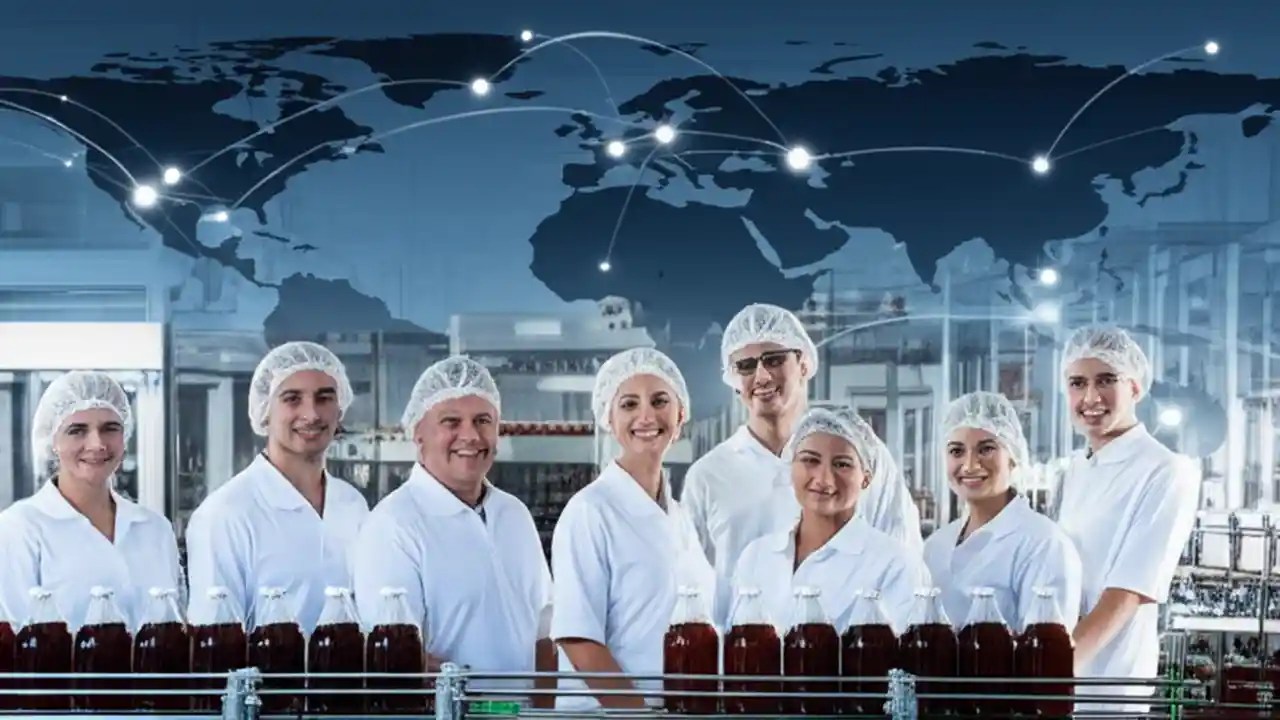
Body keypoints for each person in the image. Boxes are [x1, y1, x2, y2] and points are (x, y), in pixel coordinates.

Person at [682, 303, 922, 627]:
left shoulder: (865, 457)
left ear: (804, 363)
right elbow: (692, 587)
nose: (762, 375)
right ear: (734, 379)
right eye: (746, 365)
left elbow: (903, 558)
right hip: (745, 663)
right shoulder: (708, 476)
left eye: (775, 359)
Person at [351, 356, 555, 703]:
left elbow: (544, 635)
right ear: (418, 434)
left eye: (483, 421)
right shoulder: (394, 526)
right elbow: (399, 664)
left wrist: (547, 712)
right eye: (451, 422)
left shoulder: (514, 515)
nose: (471, 436)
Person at [551, 347, 714, 710]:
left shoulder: (679, 517)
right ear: (608, 417)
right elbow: (578, 639)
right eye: (628, 404)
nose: (646, 416)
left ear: (681, 413)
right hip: (608, 714)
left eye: (660, 401)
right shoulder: (590, 511)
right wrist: (637, 714)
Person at [1052, 326, 1199, 713]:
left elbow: (1127, 591)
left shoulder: (1164, 470)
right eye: (1077, 383)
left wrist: (1054, 673)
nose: (1090, 397)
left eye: (1106, 381)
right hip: (1059, 683)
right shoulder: (1074, 470)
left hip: (1109, 687)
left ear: (1135, 387)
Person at [185, 341, 370, 633]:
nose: (311, 414)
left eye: (324, 398)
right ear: (264, 410)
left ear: (340, 409)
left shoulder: (352, 505)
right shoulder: (226, 514)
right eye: (292, 399)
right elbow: (213, 645)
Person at [0, 371, 181, 631]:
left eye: (110, 428)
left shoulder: (155, 529)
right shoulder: (19, 530)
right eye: (77, 430)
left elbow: (177, 627)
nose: (97, 444)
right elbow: (13, 647)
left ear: (125, 436)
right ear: (52, 441)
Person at [733, 406, 929, 634]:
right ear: (791, 466)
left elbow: (906, 665)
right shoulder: (755, 556)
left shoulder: (894, 565)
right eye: (810, 460)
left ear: (866, 478)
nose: (824, 479)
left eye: (842, 464)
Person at [922, 391, 1082, 632]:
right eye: (957, 451)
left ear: (1013, 457)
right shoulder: (936, 546)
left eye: (986, 449)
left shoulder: (1043, 544)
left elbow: (1047, 654)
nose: (970, 465)